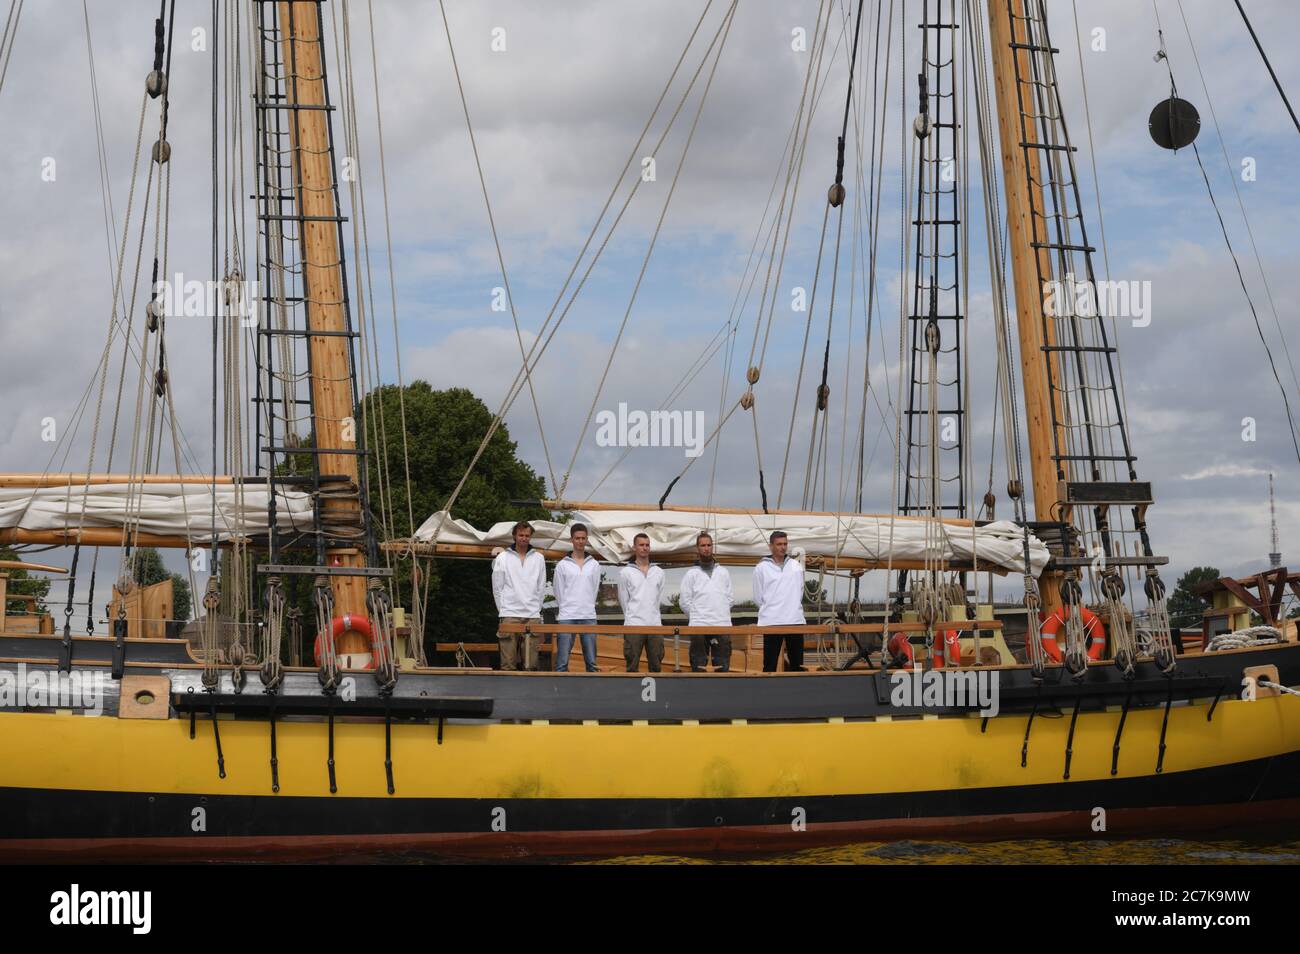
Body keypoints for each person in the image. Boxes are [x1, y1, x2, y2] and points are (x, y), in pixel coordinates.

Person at [490, 520, 546, 671]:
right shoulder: (502, 558)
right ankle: (507, 693)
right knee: (507, 664)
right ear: (514, 536)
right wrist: (503, 610)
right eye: (521, 535)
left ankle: (532, 693)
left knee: (531, 664)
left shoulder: (539, 558)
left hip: (532, 614)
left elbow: (541, 587)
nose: (524, 538)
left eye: (527, 535)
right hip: (509, 613)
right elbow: (497, 587)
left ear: (530, 537)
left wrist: (536, 609)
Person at [680, 531, 734, 672]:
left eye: (709, 545)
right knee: (698, 666)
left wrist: (719, 612)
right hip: (699, 626)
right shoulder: (691, 574)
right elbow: (684, 602)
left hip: (722, 624)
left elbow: (730, 599)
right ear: (697, 548)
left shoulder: (723, 572)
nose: (706, 548)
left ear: (713, 547)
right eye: (703, 545)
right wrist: (698, 616)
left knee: (722, 666)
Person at [752, 530, 806, 672]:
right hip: (771, 621)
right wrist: (771, 609)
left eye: (785, 544)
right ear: (771, 546)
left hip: (794, 621)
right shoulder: (761, 568)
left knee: (797, 665)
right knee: (769, 665)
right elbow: (758, 597)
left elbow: (800, 592)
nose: (783, 547)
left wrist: (791, 607)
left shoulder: (796, 566)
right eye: (779, 544)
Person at [552, 523, 602, 673]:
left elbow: (594, 590)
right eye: (577, 538)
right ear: (571, 540)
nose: (580, 541)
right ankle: (559, 693)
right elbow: (558, 591)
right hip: (567, 616)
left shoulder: (594, 564)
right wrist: (567, 606)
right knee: (561, 663)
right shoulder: (562, 565)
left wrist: (587, 605)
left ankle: (593, 692)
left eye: (583, 538)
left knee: (592, 663)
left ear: (587, 540)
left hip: (588, 615)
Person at [617, 532, 665, 672]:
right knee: (632, 666)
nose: (644, 548)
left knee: (656, 666)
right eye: (641, 545)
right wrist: (632, 617)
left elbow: (658, 599)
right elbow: (624, 600)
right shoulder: (626, 572)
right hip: (634, 625)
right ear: (634, 547)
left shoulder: (659, 572)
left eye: (647, 545)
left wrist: (653, 617)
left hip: (654, 624)